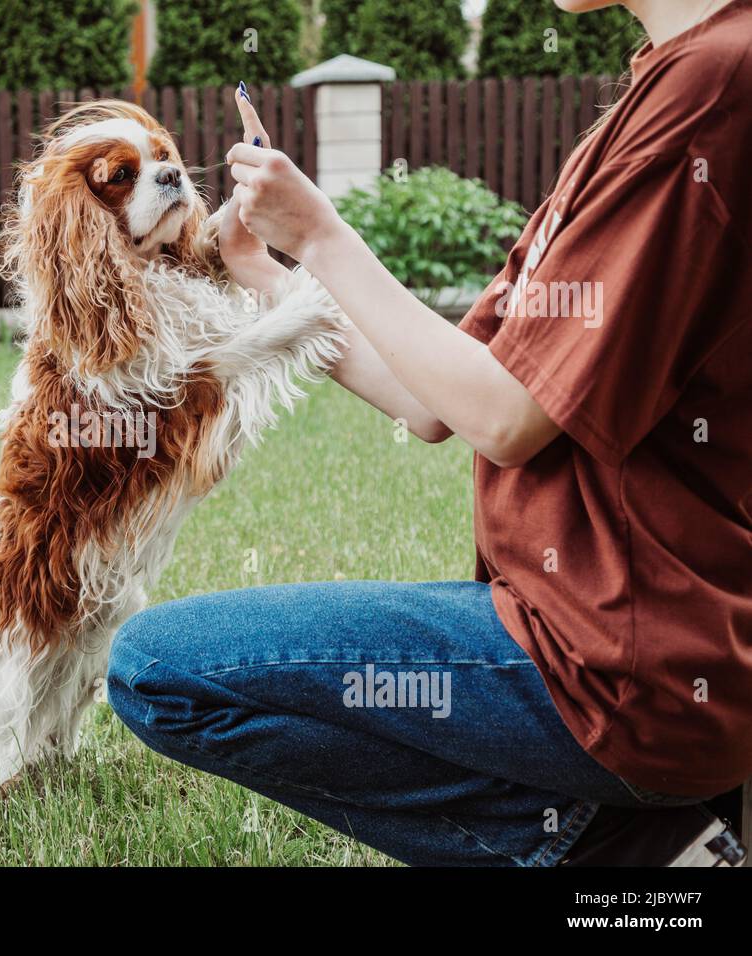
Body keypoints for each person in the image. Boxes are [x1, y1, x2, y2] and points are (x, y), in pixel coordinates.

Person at [106, 0, 751, 866]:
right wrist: (265, 270)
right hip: (583, 637)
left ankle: (634, 846)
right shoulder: (664, 86)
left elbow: (504, 418)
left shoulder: (714, 82)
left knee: (162, 670)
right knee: (168, 664)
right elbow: (438, 402)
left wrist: (323, 236)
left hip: (619, 672)